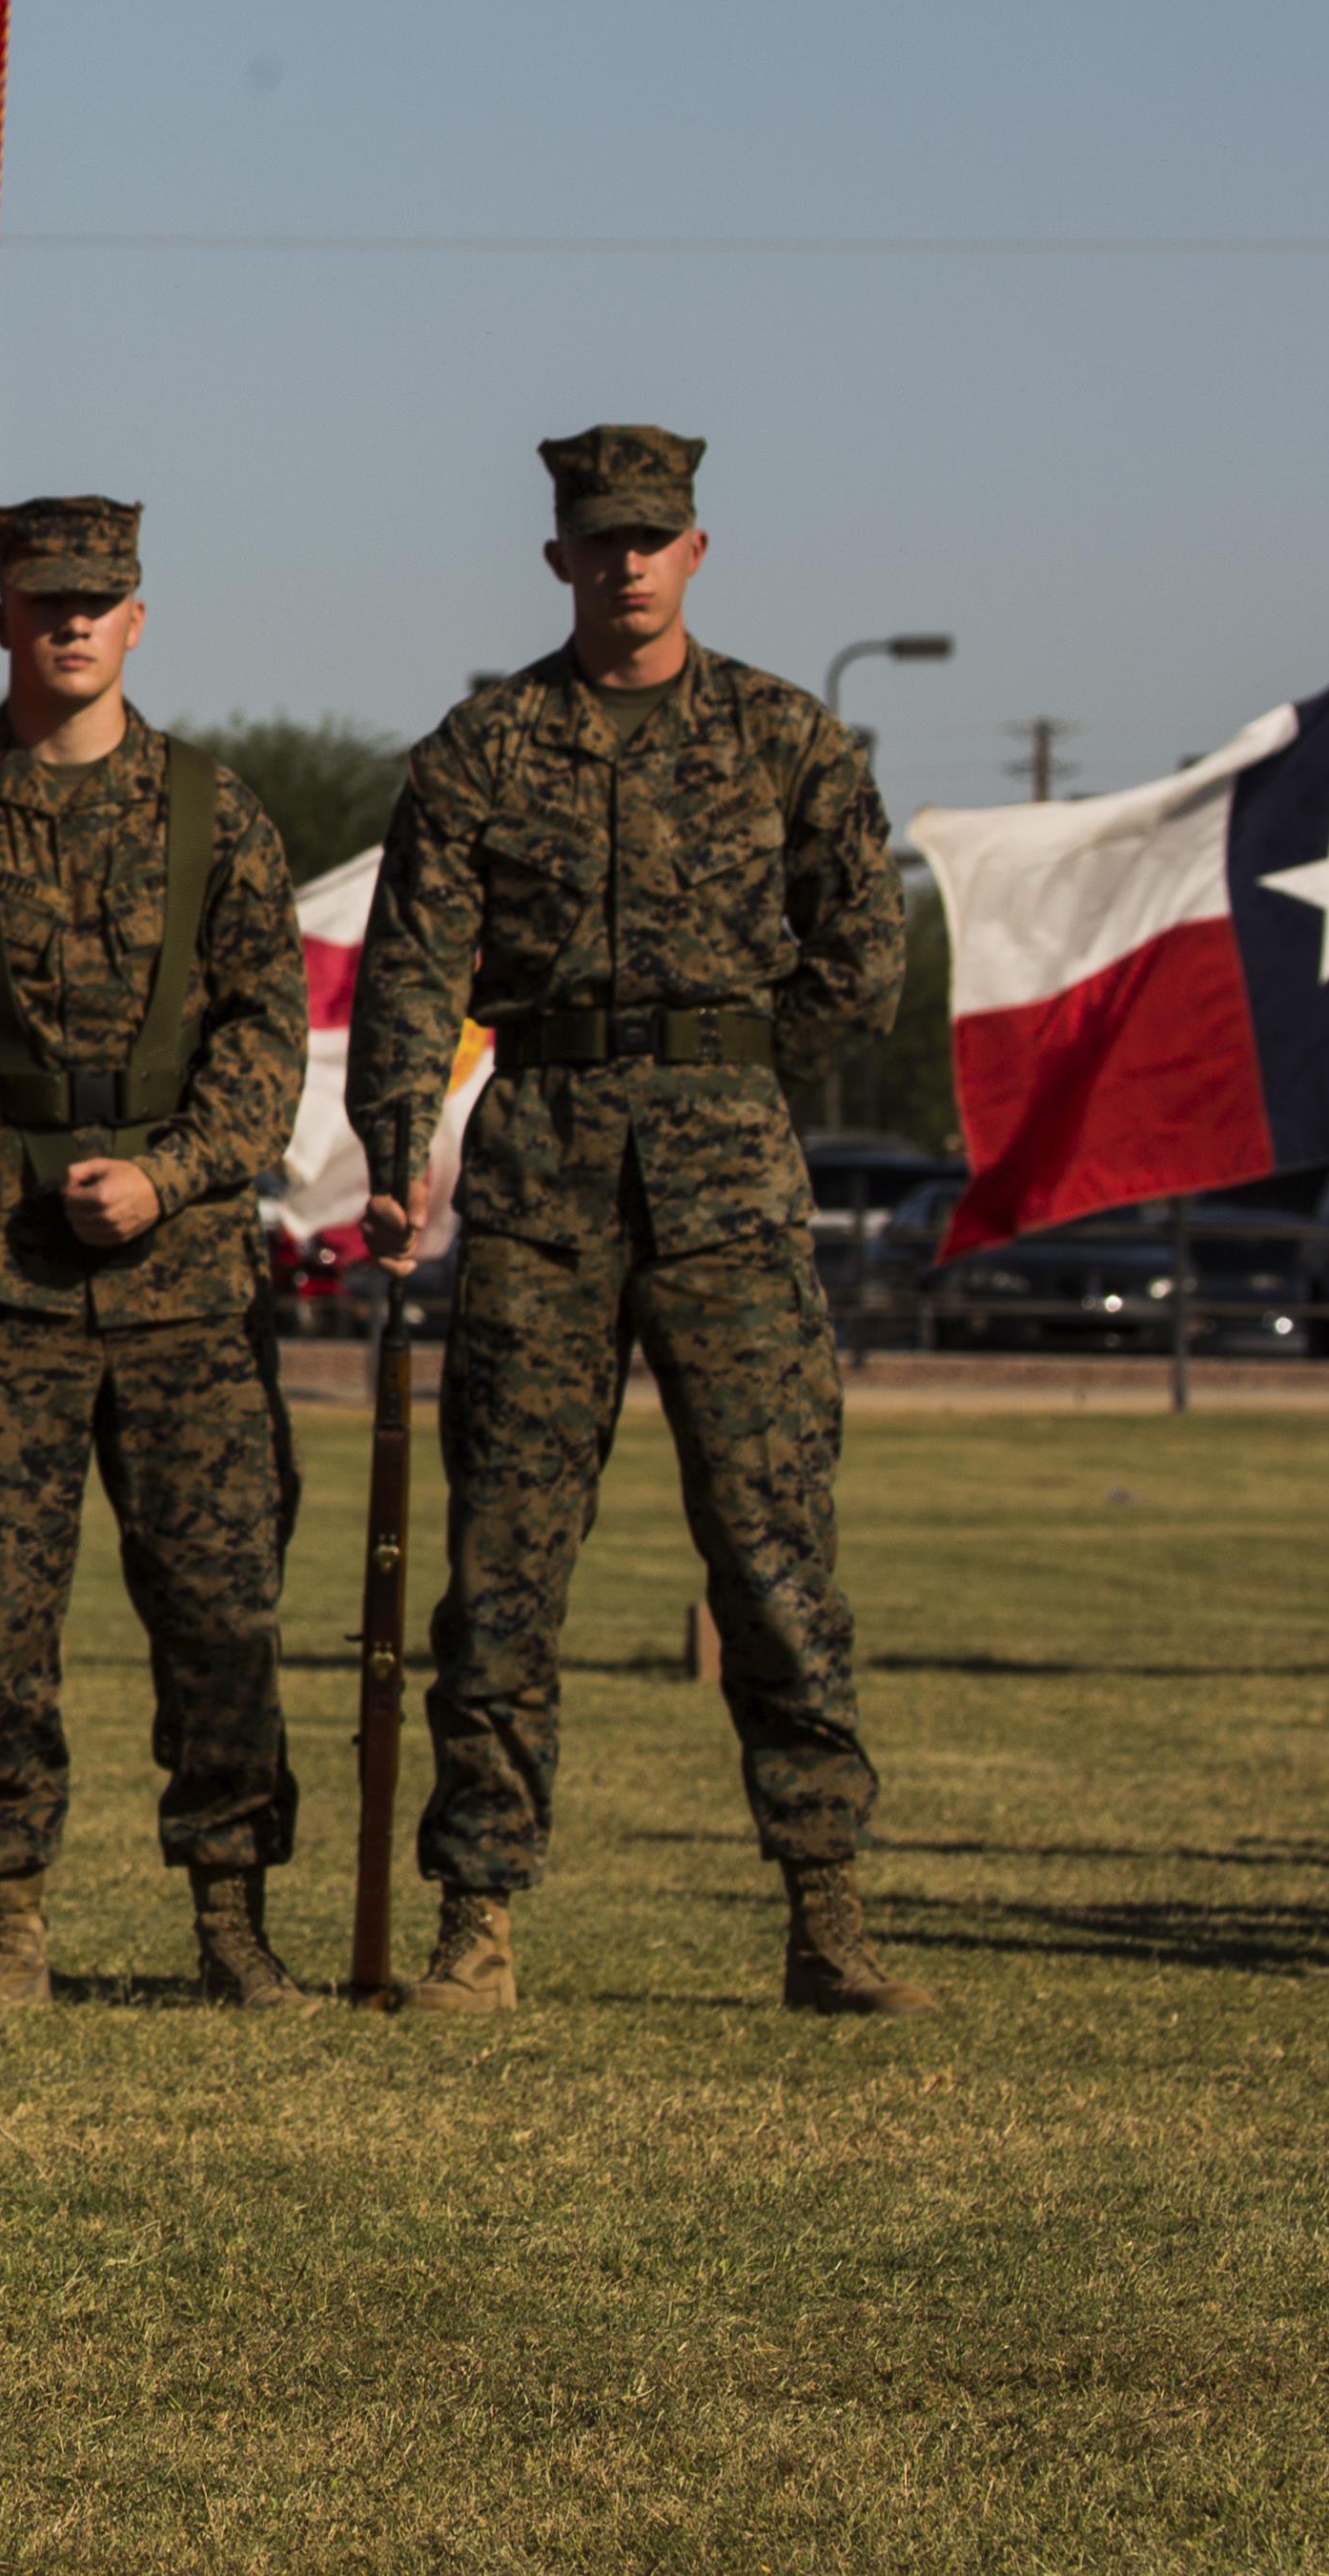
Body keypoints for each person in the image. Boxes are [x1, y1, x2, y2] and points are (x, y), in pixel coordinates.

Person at [350, 424, 938, 2019]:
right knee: (506, 1565)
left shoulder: (784, 737)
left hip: (728, 1182)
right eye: (596, 539)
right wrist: (397, 1147)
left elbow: (863, 957)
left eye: (649, 537)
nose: (623, 562)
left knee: (770, 1550)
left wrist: (732, 1053)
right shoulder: (483, 748)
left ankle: (826, 1917)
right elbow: (410, 967)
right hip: (539, 1172)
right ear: (555, 558)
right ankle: (475, 1923)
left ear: (695, 549)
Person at [0, 498, 313, 2013]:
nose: (70, 624)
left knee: (220, 1611)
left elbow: (267, 1040)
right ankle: (5, 1932)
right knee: (3, 1622)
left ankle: (231, 1923)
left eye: (98, 600)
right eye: (42, 602)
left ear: (138, 619)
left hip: (181, 1287)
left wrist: (168, 1178)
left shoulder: (215, 814)